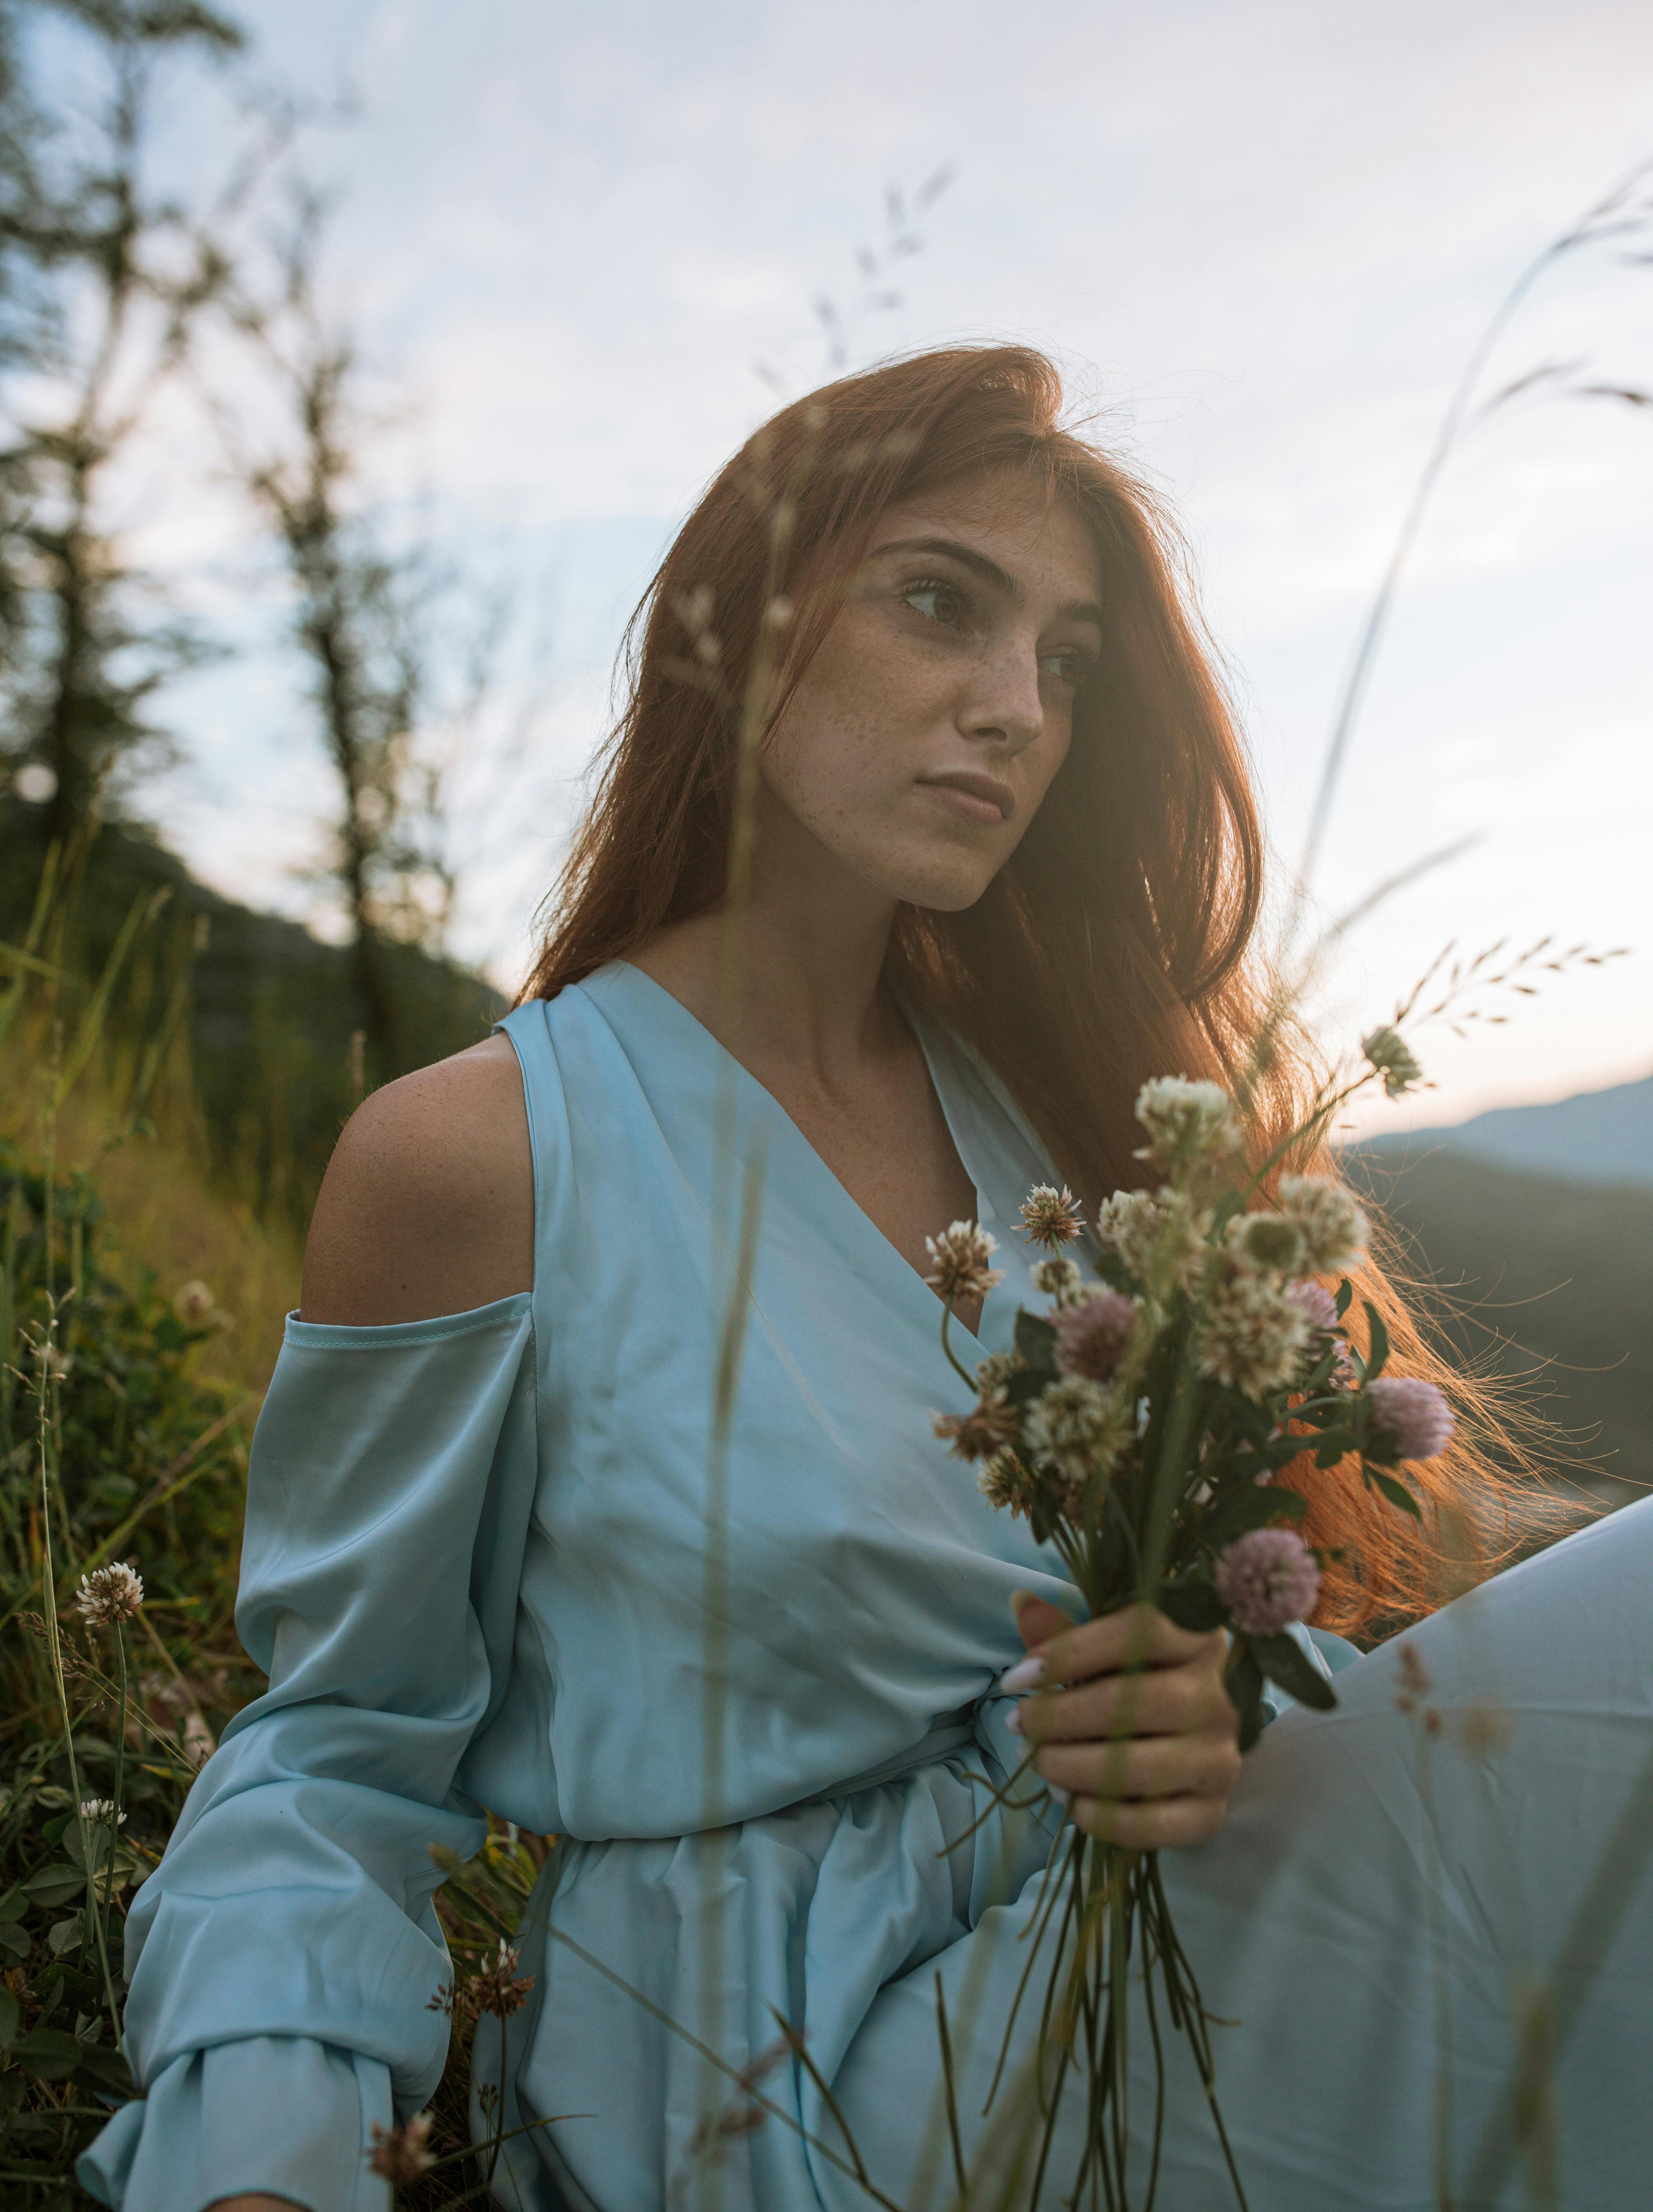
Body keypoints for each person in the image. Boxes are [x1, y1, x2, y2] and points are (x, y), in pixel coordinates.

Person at [82, 348, 1651, 2212]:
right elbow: (340, 1755)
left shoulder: (1073, 1131)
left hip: (1143, 1930)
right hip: (779, 2071)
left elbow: (1223, 1630)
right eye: (940, 605)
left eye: (1066, 664)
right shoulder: (478, 1155)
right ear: (734, 630)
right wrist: (268, 2166)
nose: (1015, 711)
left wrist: (1204, 1701)